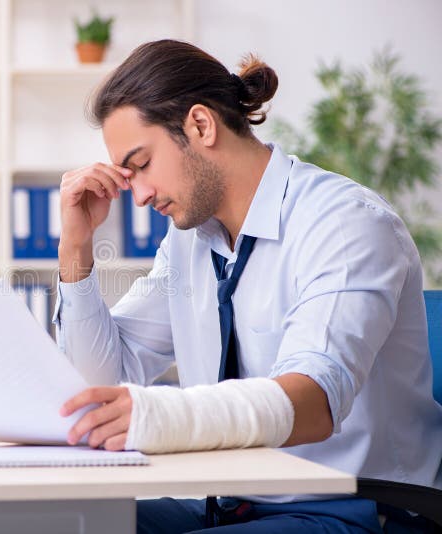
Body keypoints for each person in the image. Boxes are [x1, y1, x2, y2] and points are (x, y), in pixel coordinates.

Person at [54, 39, 442, 533]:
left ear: (201, 125)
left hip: (355, 509)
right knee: (63, 522)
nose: (141, 196)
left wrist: (162, 415)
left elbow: (313, 402)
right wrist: (75, 248)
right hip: (234, 505)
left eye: (143, 163)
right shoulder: (190, 241)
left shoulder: (345, 224)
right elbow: (101, 385)